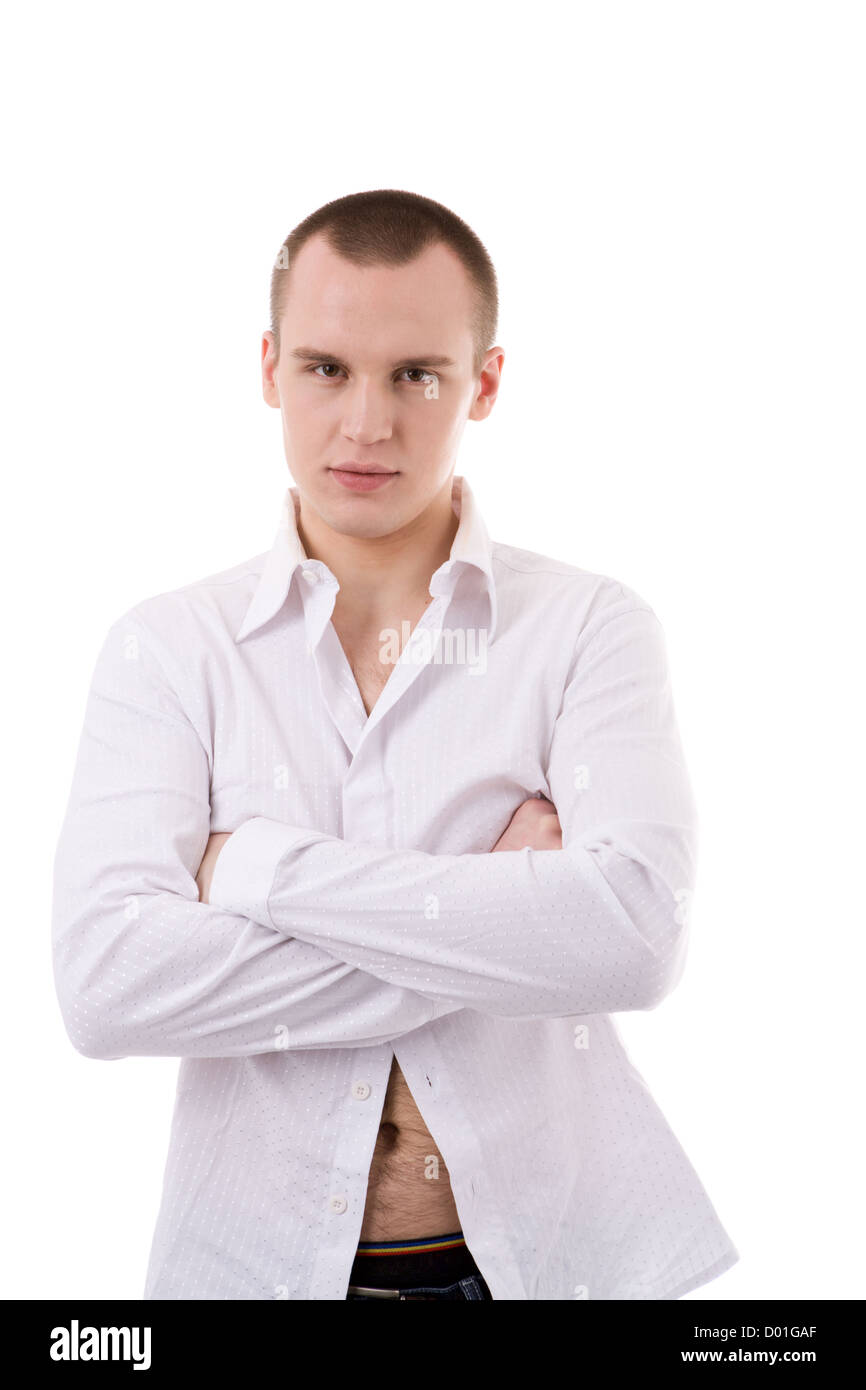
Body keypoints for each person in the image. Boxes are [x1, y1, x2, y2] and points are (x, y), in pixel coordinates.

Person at [52, 188, 739, 1301]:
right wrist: (491, 909)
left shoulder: (586, 628)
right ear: (268, 368)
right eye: (326, 368)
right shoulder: (169, 649)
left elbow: (630, 940)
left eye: (416, 375)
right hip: (249, 1271)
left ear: (485, 382)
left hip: (547, 1265)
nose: (366, 423)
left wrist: (254, 869)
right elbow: (107, 986)